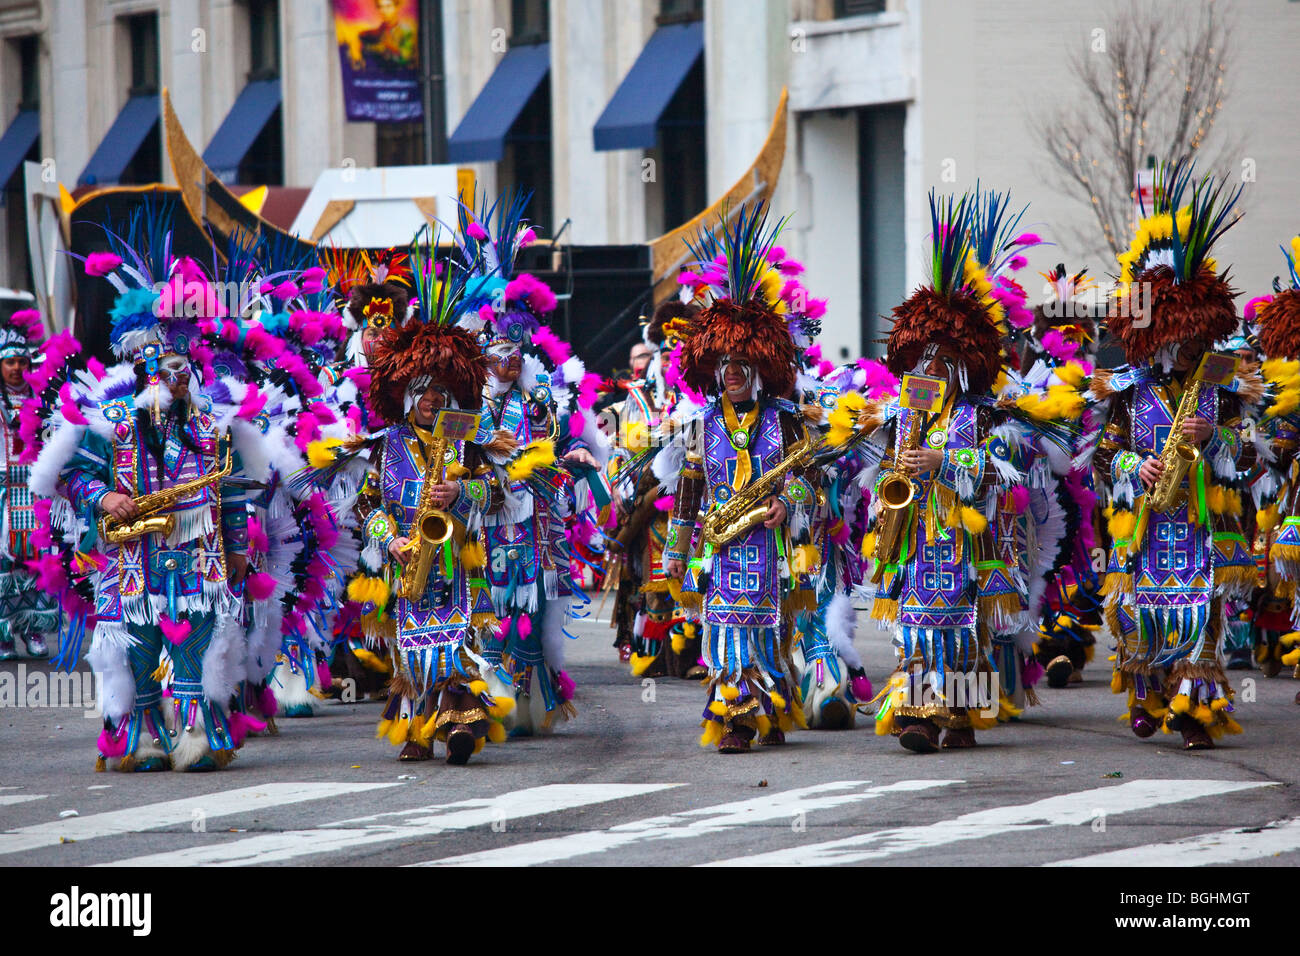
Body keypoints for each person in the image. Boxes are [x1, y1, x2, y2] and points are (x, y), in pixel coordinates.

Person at [32, 208, 270, 771]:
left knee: (198, 640)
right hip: (132, 551)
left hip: (201, 551)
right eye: (166, 364)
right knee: (136, 646)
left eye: (184, 362)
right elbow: (72, 474)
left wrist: (237, 546)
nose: (178, 373)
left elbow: (233, 489)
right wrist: (105, 497)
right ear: (144, 366)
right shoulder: (109, 417)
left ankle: (198, 737)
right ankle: (138, 738)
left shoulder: (215, 417)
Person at [1089, 161, 1260, 750]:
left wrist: (1215, 438)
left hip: (1205, 524)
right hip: (1144, 523)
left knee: (1203, 615)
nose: (1183, 348)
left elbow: (1253, 460)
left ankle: (1196, 711)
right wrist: (1137, 468)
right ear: (1155, 333)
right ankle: (1147, 687)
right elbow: (1103, 458)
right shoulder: (1127, 389)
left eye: (1192, 338)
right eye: (1172, 337)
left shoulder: (1224, 386)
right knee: (1139, 614)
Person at [662, 204, 820, 754]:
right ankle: (733, 716)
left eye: (740, 363)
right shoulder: (700, 427)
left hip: (773, 544)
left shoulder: (787, 420)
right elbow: (687, 494)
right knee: (726, 631)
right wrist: (675, 554)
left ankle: (772, 708)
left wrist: (788, 504)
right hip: (721, 545)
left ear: (758, 368)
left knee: (771, 633)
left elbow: (808, 482)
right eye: (723, 363)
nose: (730, 371)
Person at [351, 236, 510, 762]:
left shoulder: (468, 438)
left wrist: (463, 488)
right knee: (413, 649)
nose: (432, 401)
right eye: (423, 394)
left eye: (440, 394)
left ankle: (461, 722)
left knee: (458, 642)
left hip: (460, 559)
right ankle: (418, 728)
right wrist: (388, 538)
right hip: (408, 560)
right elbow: (366, 505)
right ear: (408, 397)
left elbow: (500, 489)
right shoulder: (386, 445)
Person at [0, 308, 59, 660]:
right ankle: (4, 632)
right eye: (9, 362)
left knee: (37, 560)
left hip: (36, 492)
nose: (17, 368)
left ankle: (33, 628)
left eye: (22, 361)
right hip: (4, 493)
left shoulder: (42, 399)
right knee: (3, 564)